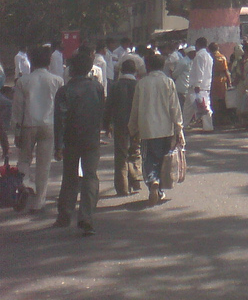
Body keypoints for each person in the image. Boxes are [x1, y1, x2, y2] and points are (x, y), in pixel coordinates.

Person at [51, 50, 105, 235]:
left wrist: (58, 146)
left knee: (70, 177)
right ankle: (87, 217)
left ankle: (65, 215)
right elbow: (100, 111)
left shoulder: (64, 91)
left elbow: (60, 120)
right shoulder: (97, 88)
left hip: (71, 139)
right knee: (91, 177)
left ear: (71, 69)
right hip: (91, 138)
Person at [11, 45, 64, 213]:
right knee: (44, 165)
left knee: (24, 160)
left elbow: (18, 109)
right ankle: (39, 201)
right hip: (49, 125)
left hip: (28, 124)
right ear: (49, 62)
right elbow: (60, 109)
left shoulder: (23, 81)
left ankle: (27, 184)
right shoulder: (57, 81)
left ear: (31, 62)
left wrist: (16, 131)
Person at [130, 51, 184, 206]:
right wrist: (179, 129)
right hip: (165, 129)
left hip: (147, 129)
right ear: (163, 66)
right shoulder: (168, 82)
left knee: (149, 158)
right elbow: (175, 108)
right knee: (163, 159)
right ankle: (159, 187)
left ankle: (153, 181)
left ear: (148, 67)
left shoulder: (141, 83)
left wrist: (132, 127)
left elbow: (135, 108)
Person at [104, 58, 142, 196]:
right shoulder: (138, 85)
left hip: (119, 124)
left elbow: (108, 106)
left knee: (121, 155)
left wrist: (106, 124)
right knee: (135, 151)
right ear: (135, 71)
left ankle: (122, 187)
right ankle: (136, 178)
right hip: (136, 124)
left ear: (121, 71)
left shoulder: (115, 86)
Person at [187, 37, 214, 131]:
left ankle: (208, 128)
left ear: (198, 44)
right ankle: (183, 125)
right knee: (192, 107)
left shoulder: (199, 56)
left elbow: (199, 71)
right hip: (205, 85)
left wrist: (197, 84)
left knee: (204, 107)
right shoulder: (208, 56)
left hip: (198, 86)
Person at [209, 42, 232, 128]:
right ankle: (223, 119)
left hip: (212, 80)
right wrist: (229, 82)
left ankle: (215, 119)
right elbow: (226, 71)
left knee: (213, 101)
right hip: (221, 81)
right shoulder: (222, 58)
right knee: (222, 100)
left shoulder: (209, 58)